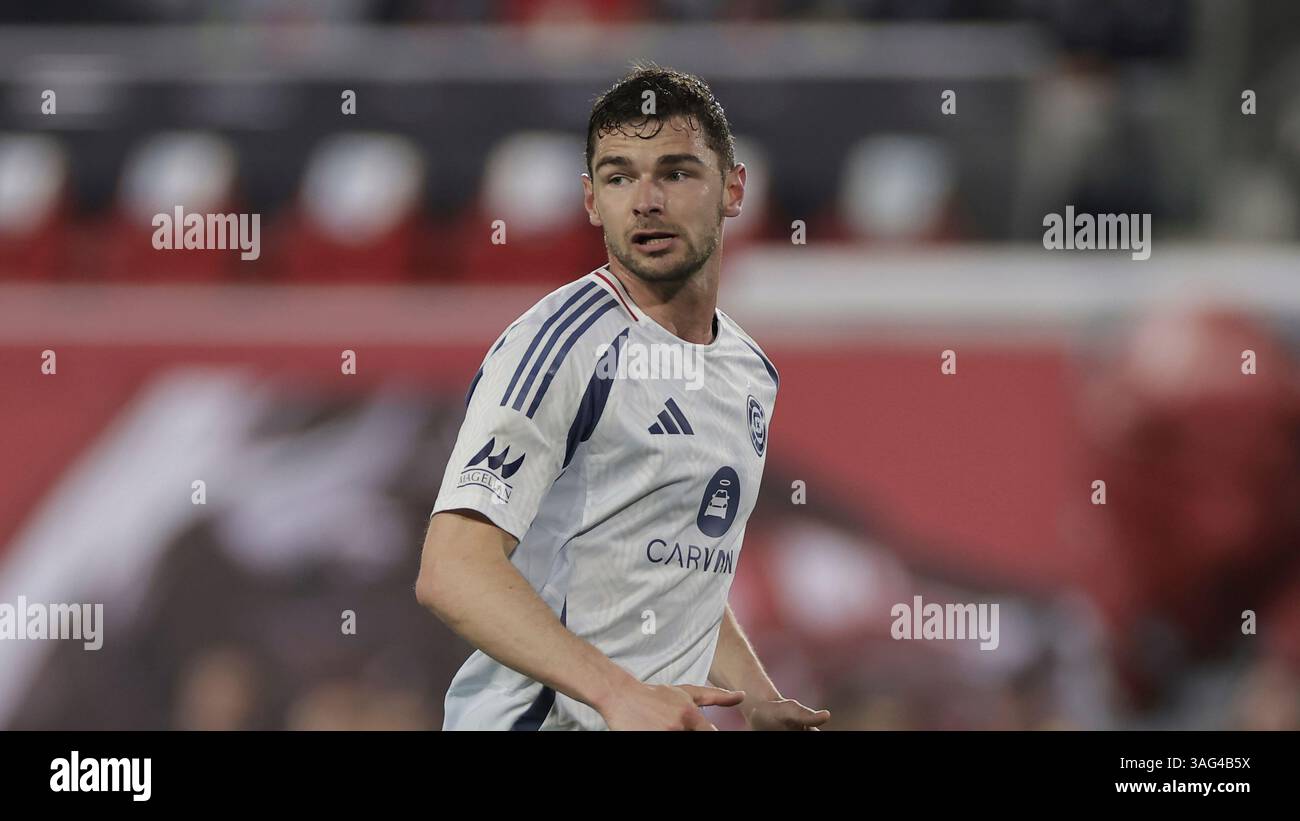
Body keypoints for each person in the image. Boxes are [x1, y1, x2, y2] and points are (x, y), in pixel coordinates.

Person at [416, 64, 829, 730]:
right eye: (618, 177)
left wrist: (755, 696)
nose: (645, 200)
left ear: (733, 188)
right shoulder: (559, 346)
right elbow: (451, 570)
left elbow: (665, 561)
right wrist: (616, 692)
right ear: (590, 201)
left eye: (675, 172)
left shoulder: (749, 370)